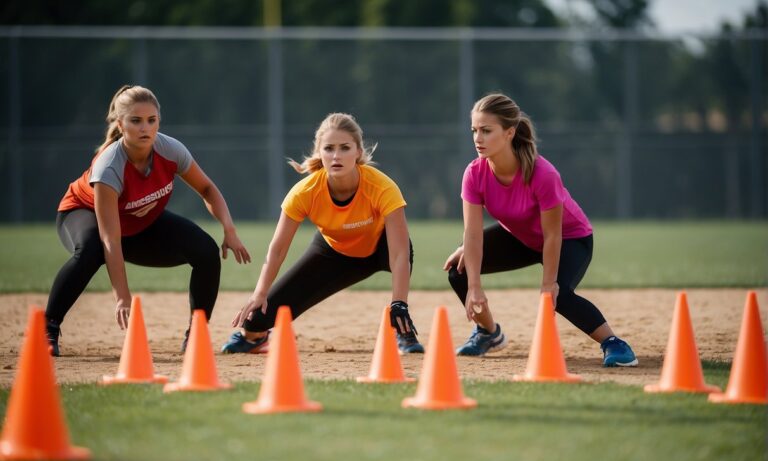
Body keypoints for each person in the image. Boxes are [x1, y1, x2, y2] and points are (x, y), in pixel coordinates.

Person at [46, 85, 251, 356]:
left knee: (205, 251)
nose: (145, 128)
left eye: (151, 120)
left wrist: (229, 229)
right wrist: (122, 295)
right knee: (91, 249)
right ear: (120, 124)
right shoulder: (110, 166)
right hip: (83, 214)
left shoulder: (170, 150)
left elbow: (207, 189)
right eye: (136, 120)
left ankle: (197, 333)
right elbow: (110, 237)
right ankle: (47, 329)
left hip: (140, 220)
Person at [443, 93, 637, 367]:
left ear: (509, 133)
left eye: (487, 131)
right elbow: (473, 234)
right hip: (520, 236)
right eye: (474, 130)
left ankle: (614, 343)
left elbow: (553, 235)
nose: (478, 138)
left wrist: (549, 284)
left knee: (559, 295)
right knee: (460, 270)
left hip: (570, 238)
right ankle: (488, 333)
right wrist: (474, 285)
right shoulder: (474, 173)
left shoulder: (542, 173)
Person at [223, 112, 423, 355]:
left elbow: (400, 253)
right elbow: (277, 249)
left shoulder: (382, 187)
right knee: (255, 320)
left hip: (380, 249)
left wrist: (399, 303)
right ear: (320, 152)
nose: (336, 156)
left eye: (345, 148)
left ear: (358, 152)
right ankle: (259, 338)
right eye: (329, 148)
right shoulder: (305, 192)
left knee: (402, 251)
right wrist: (260, 293)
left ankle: (402, 330)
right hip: (333, 252)